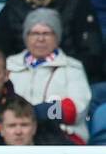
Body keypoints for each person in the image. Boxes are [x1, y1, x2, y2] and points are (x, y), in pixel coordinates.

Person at [6, 8, 91, 143]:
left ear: (57, 37)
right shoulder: (9, 65)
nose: (40, 39)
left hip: (60, 137)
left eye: (47, 33)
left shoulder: (72, 68)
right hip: (15, 137)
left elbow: (76, 109)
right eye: (34, 33)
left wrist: (39, 112)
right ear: (26, 37)